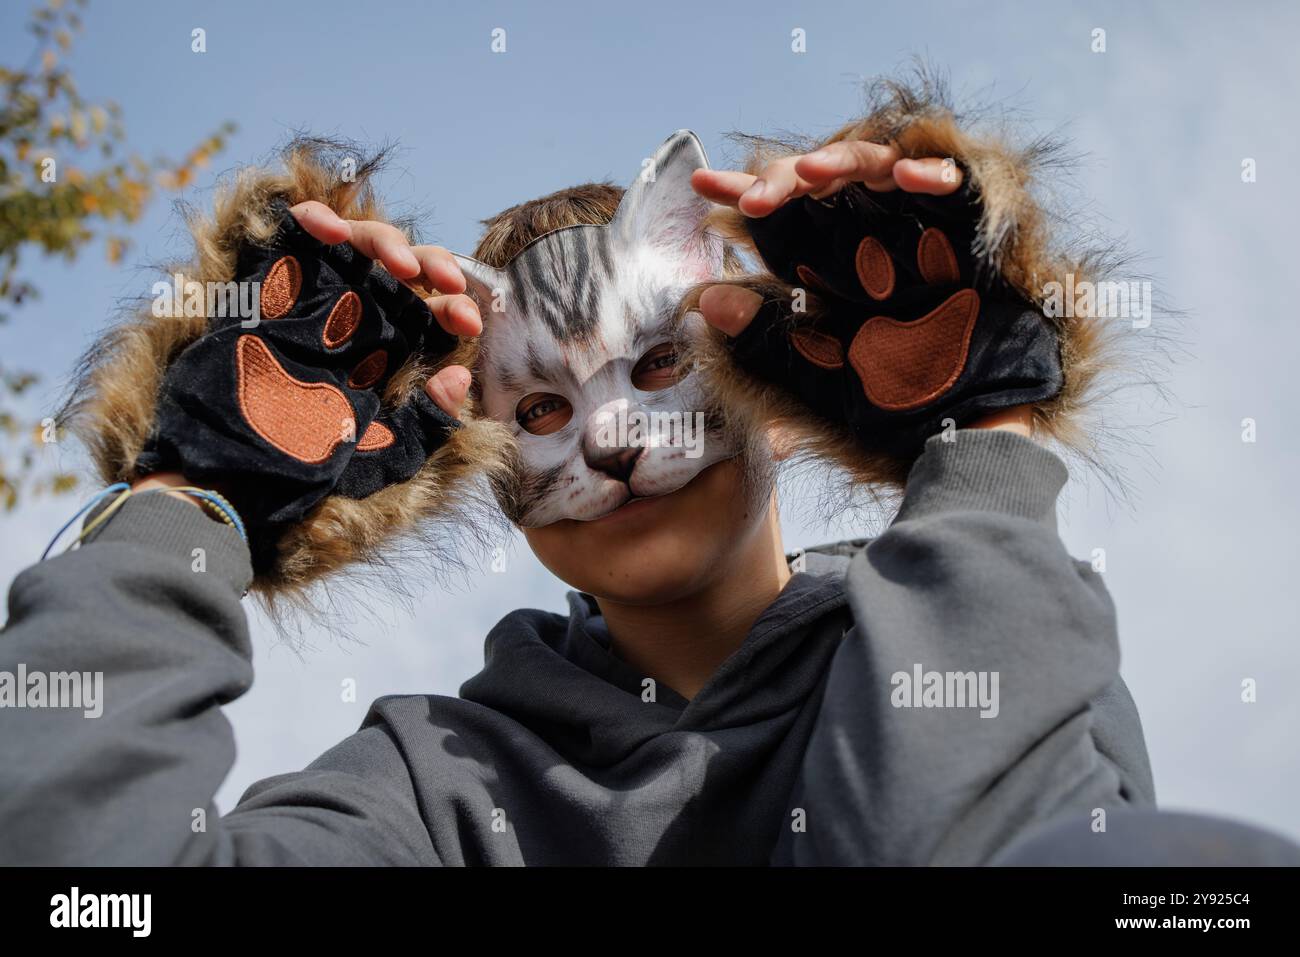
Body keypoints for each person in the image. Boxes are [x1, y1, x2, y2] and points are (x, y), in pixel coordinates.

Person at [1, 79, 1294, 866]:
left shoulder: (1000, 623)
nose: (609, 441)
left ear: (780, 401)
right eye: (545, 404)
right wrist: (189, 501)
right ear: (480, 461)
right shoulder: (428, 786)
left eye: (664, 370)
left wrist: (978, 449)